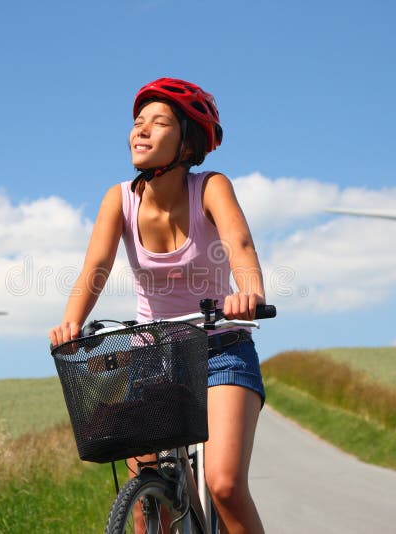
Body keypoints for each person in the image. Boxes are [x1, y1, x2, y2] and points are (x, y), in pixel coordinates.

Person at [49, 77, 266, 534]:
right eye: (137, 122)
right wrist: (70, 324)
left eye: (158, 122)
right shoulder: (120, 199)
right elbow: (95, 269)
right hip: (156, 356)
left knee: (223, 484)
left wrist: (249, 292)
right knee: (152, 489)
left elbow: (240, 243)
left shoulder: (209, 187)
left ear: (187, 143)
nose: (141, 131)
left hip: (222, 346)